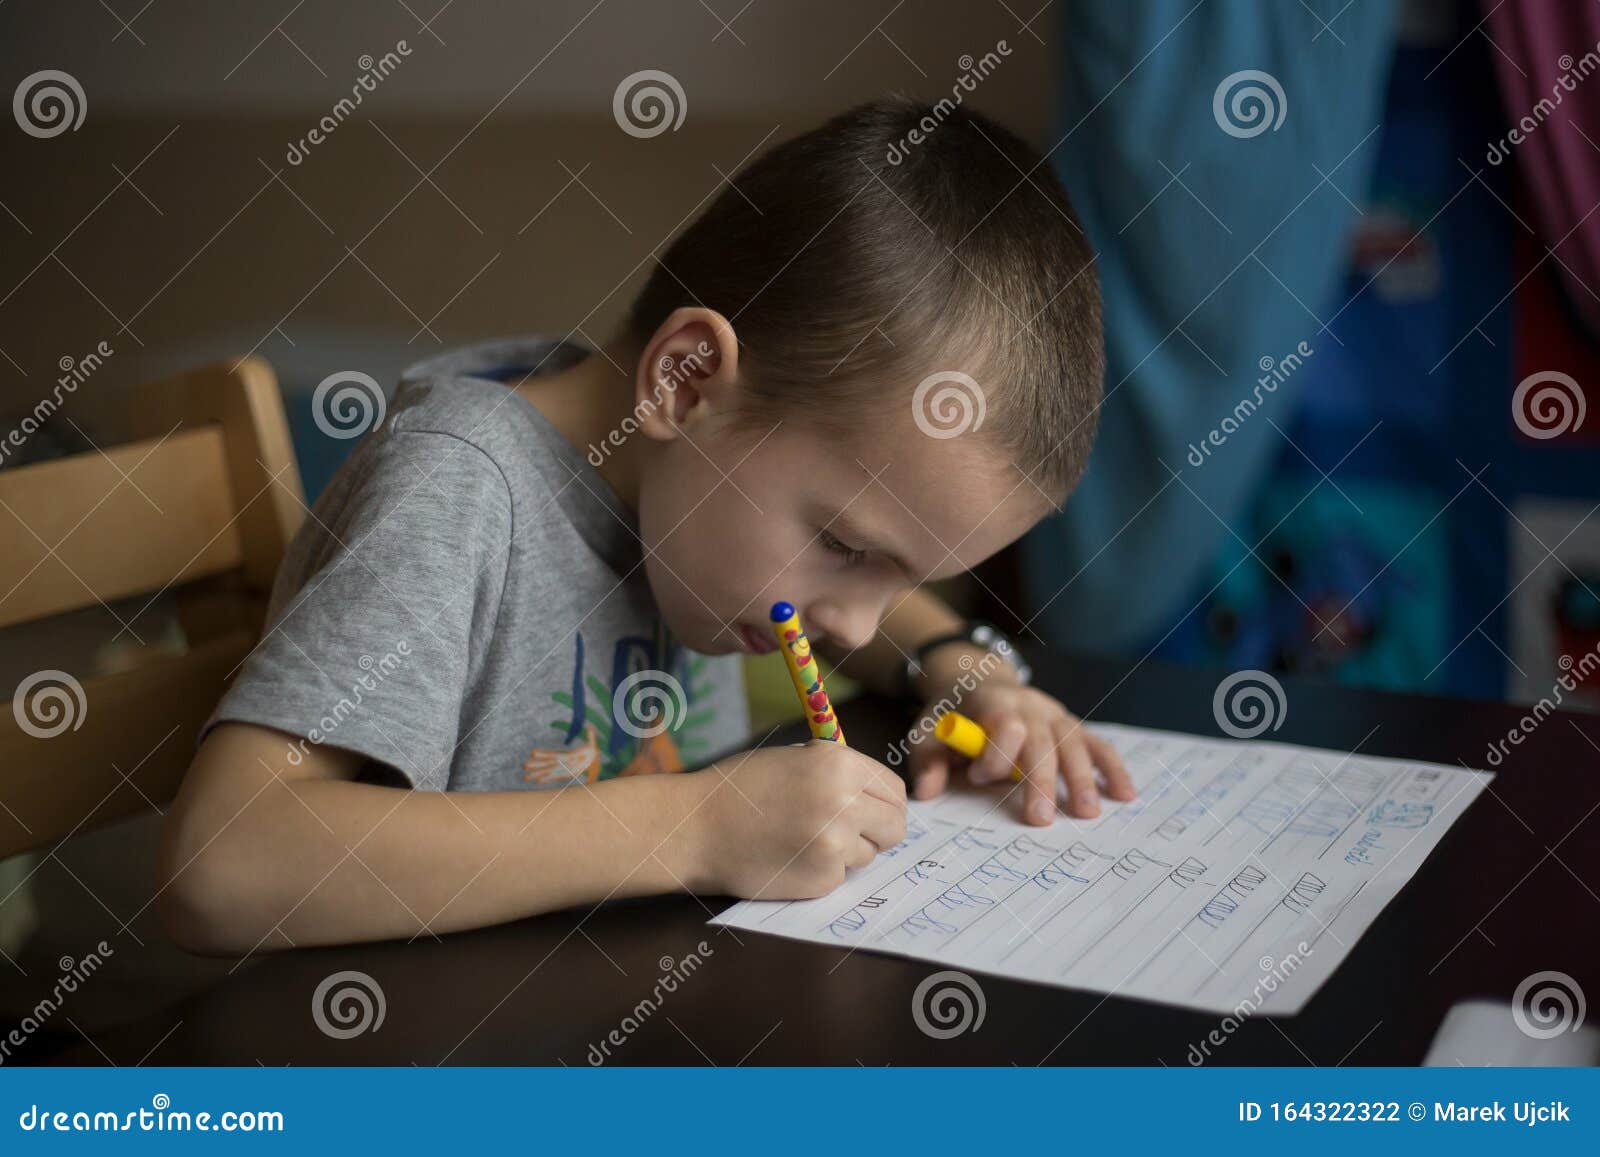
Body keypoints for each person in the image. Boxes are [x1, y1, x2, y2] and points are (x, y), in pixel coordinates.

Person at [157, 99, 1134, 954]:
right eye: (844, 546)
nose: (852, 626)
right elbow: (225, 863)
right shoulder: (460, 492)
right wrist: (700, 825)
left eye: (901, 573)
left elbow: (883, 619)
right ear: (687, 380)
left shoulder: (677, 487)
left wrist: (970, 672)